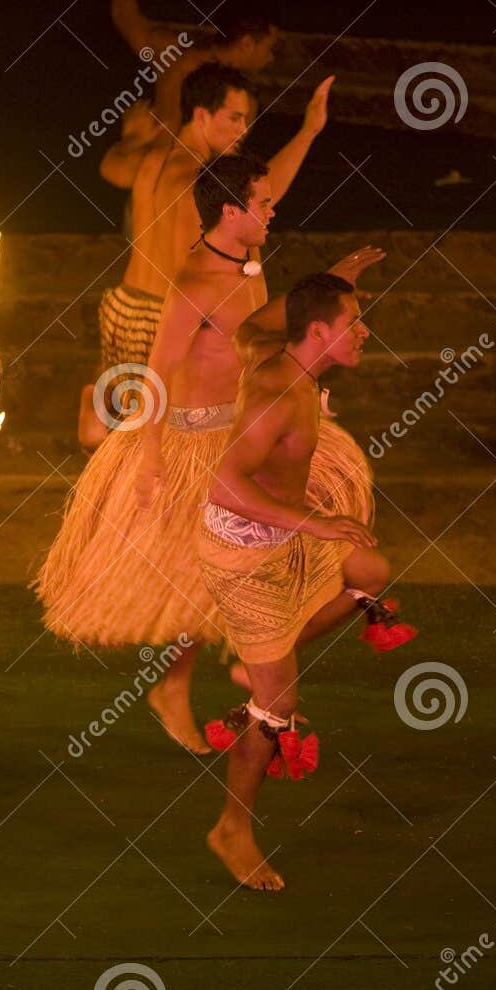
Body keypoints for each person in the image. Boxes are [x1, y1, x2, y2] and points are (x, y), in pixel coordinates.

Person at [39, 154, 384, 752]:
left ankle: (260, 663)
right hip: (188, 441)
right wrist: (150, 460)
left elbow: (258, 330)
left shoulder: (248, 265)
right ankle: (179, 686)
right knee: (198, 581)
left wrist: (328, 284)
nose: (274, 212)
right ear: (232, 210)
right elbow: (156, 369)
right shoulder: (194, 282)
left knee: (306, 555)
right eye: (264, 203)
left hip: (240, 431)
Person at [196, 273, 410, 891]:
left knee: (368, 569)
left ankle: (264, 661)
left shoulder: (285, 356)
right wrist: (313, 520)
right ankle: (232, 828)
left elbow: (253, 324)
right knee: (278, 705)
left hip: (287, 536)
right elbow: (223, 485)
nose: (365, 332)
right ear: (319, 331)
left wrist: (338, 270)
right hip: (243, 555)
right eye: (353, 321)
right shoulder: (275, 391)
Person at [81, 62, 333, 448]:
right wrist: (309, 131)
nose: (242, 130)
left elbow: (109, 166)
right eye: (234, 117)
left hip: (123, 308)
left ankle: (99, 428)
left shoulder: (153, 156)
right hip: (160, 321)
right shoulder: (204, 178)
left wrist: (131, 136)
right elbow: (263, 194)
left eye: (245, 118)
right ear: (201, 114)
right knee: (165, 440)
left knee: (127, 435)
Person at [110, 0, 280, 136]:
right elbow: (222, 167)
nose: (271, 58)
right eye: (270, 48)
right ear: (247, 44)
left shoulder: (173, 51)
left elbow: (124, 15)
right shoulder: (243, 104)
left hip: (141, 164)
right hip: (163, 170)